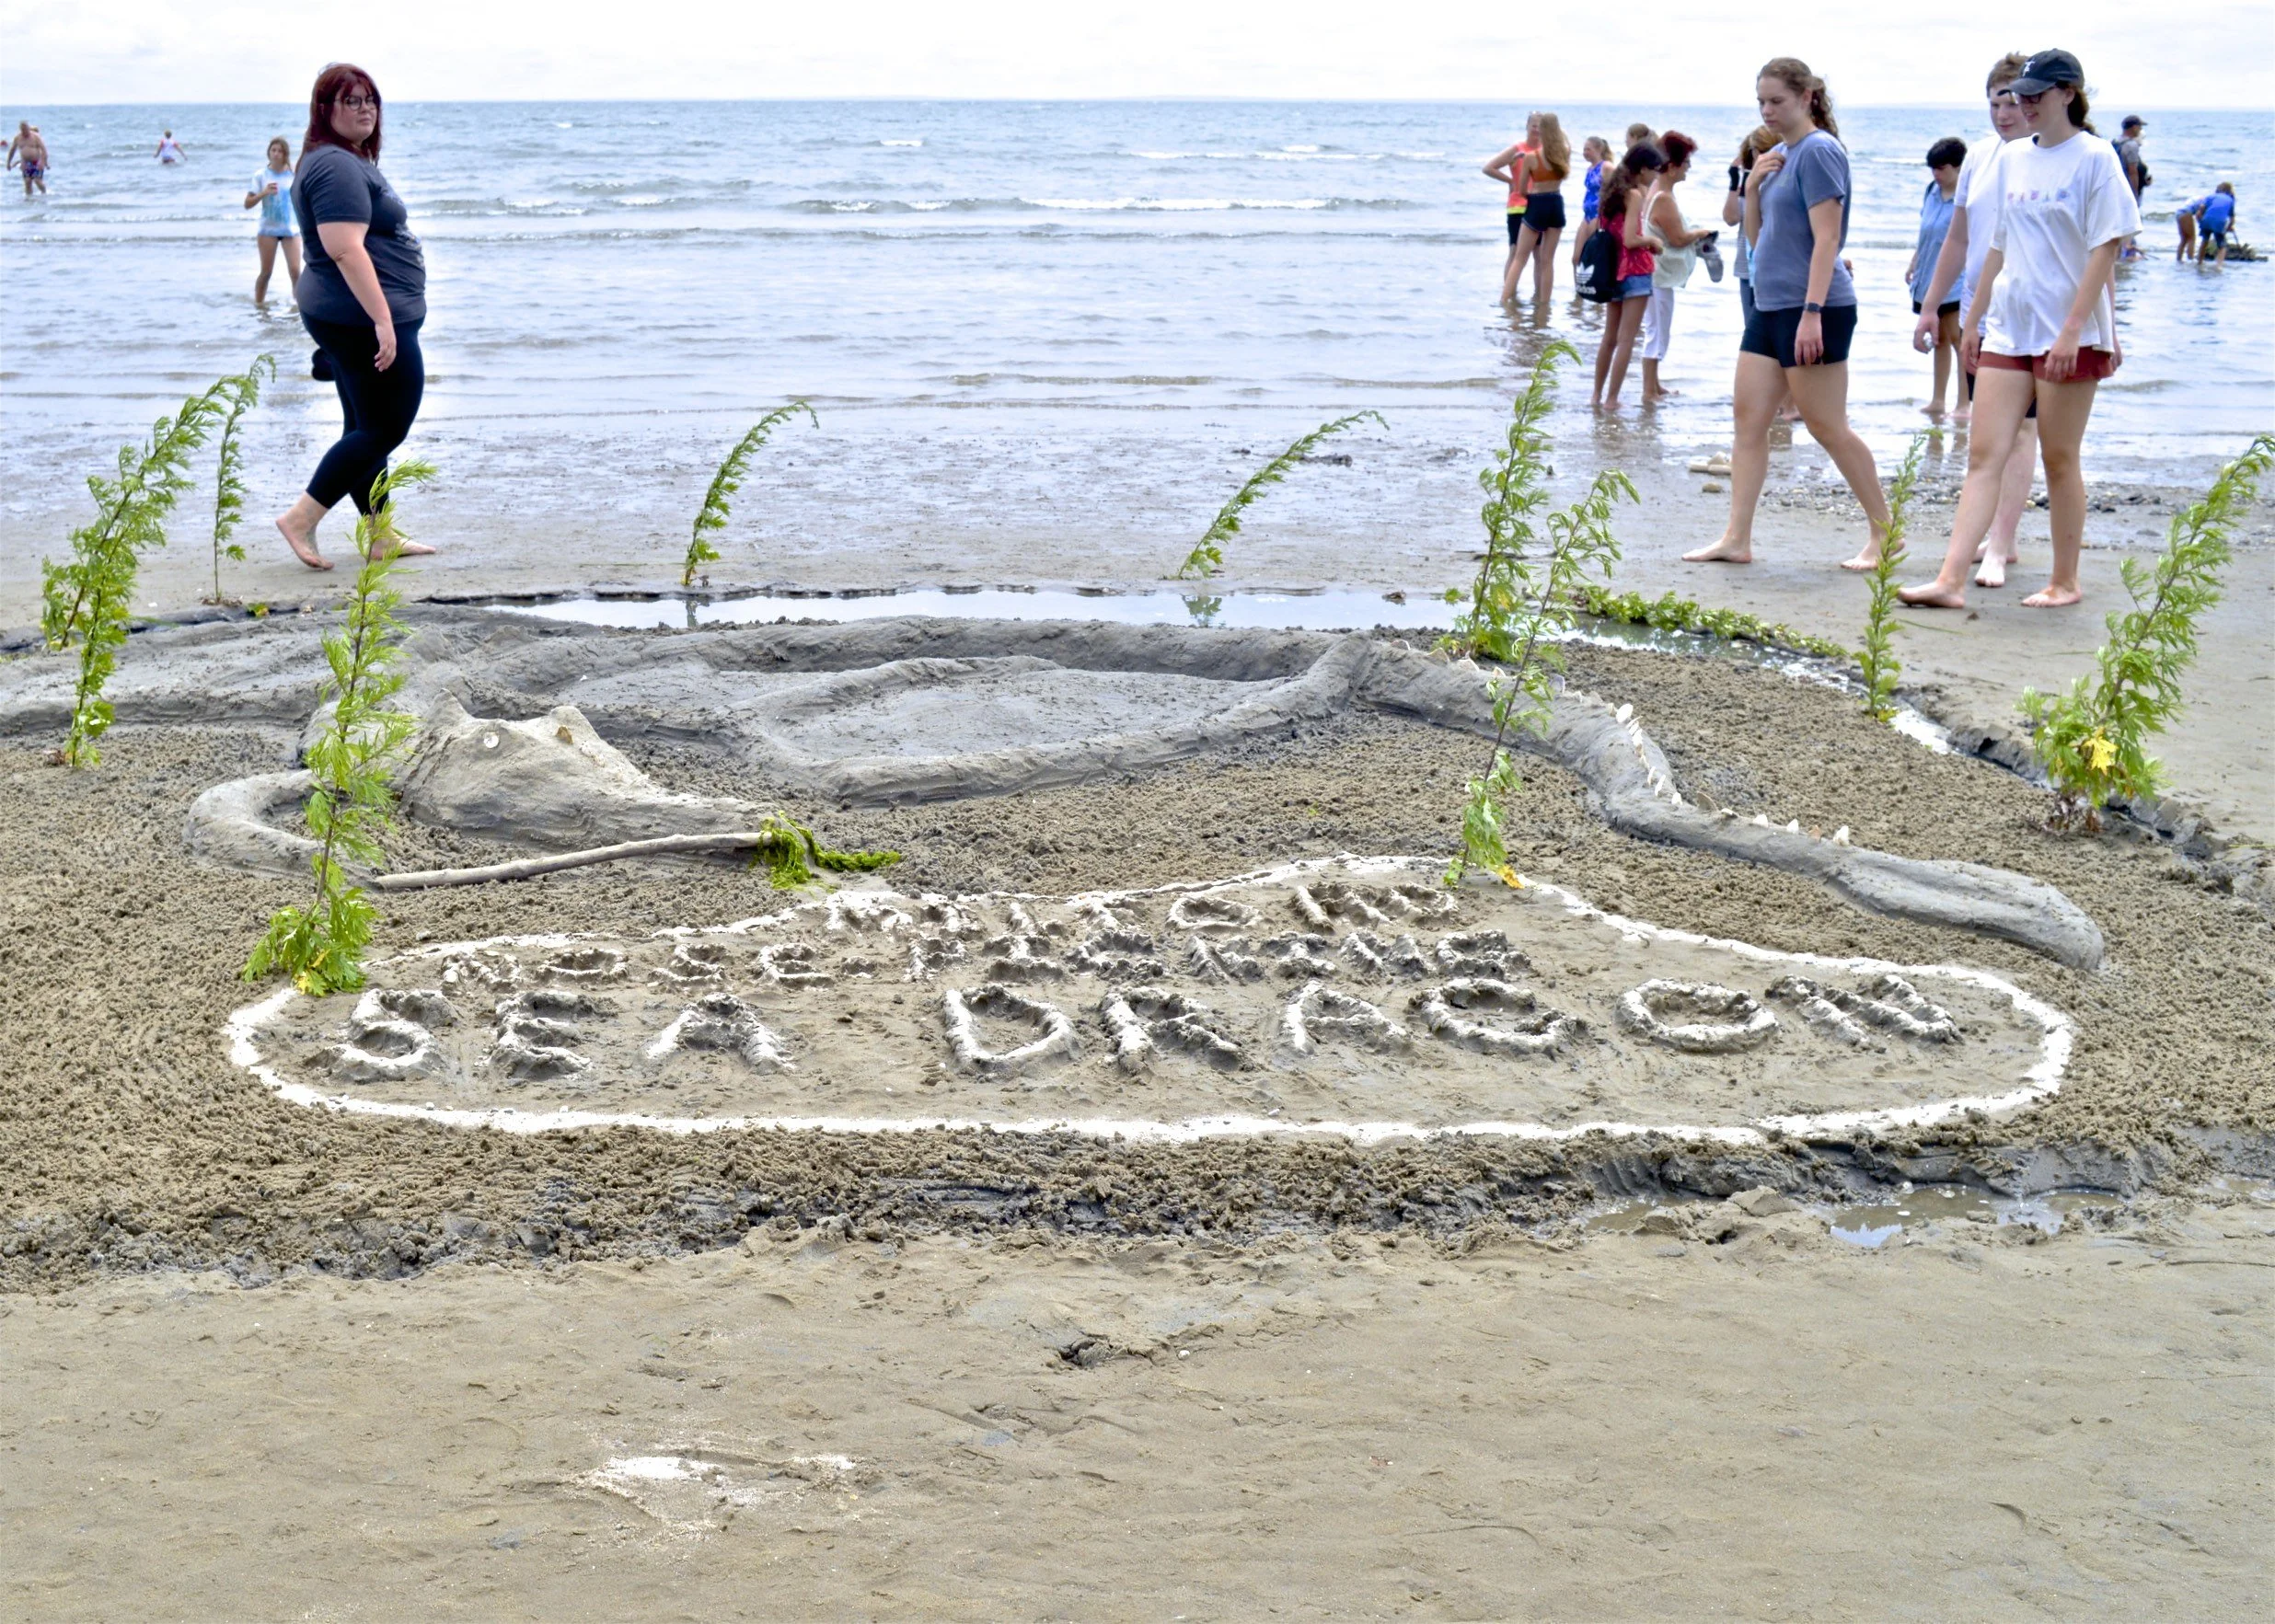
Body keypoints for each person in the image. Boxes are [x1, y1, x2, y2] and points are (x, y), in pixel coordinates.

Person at [1902, 49, 2139, 612]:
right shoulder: (2011, 159)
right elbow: (1998, 247)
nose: (2023, 105)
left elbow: (2107, 249)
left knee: (2059, 457)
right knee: (1984, 454)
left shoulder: (2095, 158)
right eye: (2017, 96)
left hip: (2069, 331)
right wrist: (1976, 320)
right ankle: (1950, 579)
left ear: (2068, 93)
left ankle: (2065, 580)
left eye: (2035, 95)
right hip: (2010, 324)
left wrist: (2073, 331)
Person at [1686, 58, 1890, 571]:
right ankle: (1737, 538)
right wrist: (1752, 188)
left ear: (1807, 97)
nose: (1767, 110)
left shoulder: (1819, 151)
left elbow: (1828, 240)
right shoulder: (1776, 156)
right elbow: (1758, 242)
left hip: (1816, 308)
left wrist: (1813, 312)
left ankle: (1886, 534)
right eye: (1761, 101)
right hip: (1768, 305)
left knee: (1827, 426)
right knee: (1748, 421)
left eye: (1776, 100)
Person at [273, 63, 435, 570]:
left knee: (363, 424)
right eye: (351, 100)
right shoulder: (336, 166)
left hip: (347, 315)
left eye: (371, 99)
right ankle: (302, 517)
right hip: (361, 318)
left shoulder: (340, 158)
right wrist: (384, 321)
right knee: (387, 426)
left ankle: (380, 535)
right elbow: (345, 250)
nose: (365, 108)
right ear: (326, 110)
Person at [1911, 52, 2038, 585]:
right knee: (1986, 437)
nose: (2004, 111)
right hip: (1975, 313)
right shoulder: (1980, 159)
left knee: (2022, 432)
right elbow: (1958, 239)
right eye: (1995, 101)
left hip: (2030, 313)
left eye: (2013, 100)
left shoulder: (2044, 157)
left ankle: (2001, 542)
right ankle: (1987, 533)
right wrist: (1929, 305)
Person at [1588, 143, 1664, 410]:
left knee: (1609, 337)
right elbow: (1631, 239)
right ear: (1642, 169)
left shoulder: (1610, 190)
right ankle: (1612, 400)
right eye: (1655, 171)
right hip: (1635, 270)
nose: (1657, 176)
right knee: (1626, 340)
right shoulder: (1633, 195)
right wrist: (1653, 241)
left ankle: (1596, 395)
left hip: (1611, 269)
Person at [1639, 131, 1712, 402]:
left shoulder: (1656, 191)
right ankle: (1648, 390)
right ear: (1671, 167)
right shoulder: (1664, 198)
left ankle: (1654, 385)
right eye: (1686, 163)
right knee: (1657, 330)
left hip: (1652, 272)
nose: (1688, 169)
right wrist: (1700, 233)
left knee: (1654, 327)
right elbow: (1678, 238)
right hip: (1658, 274)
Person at [1907, 137, 1968, 418]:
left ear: (1958, 168)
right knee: (1939, 339)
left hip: (1956, 282)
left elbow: (1963, 241)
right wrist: (1914, 264)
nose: (1936, 174)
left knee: (1958, 340)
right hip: (1929, 277)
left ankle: (1964, 403)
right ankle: (1938, 400)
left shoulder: (1966, 198)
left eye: (1941, 169)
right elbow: (1927, 234)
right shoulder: (1931, 191)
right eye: (1933, 168)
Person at [1490, 113, 1570, 306]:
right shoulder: (1564, 152)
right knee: (1547, 260)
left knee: (1519, 257)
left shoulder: (1531, 157)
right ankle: (1544, 305)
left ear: (1541, 129)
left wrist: (1528, 194)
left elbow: (1522, 189)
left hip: (1537, 202)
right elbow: (1566, 143)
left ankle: (1504, 300)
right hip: (1556, 202)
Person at [245, 136, 302, 304]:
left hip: (291, 230)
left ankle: (299, 309)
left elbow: (304, 199)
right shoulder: (261, 175)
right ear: (268, 153)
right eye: (273, 150)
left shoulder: (293, 175)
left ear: (285, 154)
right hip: (268, 230)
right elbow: (247, 204)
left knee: (295, 271)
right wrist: (263, 193)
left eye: (280, 151)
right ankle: (259, 305)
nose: (276, 154)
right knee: (266, 272)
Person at [1568, 136, 1611, 272]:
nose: (1585, 152)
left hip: (1598, 215)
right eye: (1584, 150)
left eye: (1588, 149)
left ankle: (1596, 289)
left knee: (1593, 256)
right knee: (1576, 258)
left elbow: (1617, 188)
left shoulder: (1606, 167)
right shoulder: (1589, 169)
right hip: (1587, 215)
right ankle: (1579, 292)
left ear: (1599, 149)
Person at [2113, 115, 2147, 258]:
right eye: (2140, 126)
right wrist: (2134, 194)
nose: (2140, 130)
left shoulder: (2114, 142)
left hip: (2114, 190)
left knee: (2116, 226)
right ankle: (2127, 256)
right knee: (2128, 226)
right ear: (2133, 127)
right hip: (2126, 191)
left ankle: (2118, 257)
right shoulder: (2131, 145)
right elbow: (2132, 171)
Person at [2196, 182, 2237, 268]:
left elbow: (2200, 210)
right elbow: (2232, 218)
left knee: (2204, 241)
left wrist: (2200, 221)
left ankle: (2199, 262)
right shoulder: (2230, 200)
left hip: (2206, 219)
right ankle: (2218, 265)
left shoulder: (2210, 196)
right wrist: (2230, 226)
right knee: (2222, 245)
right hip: (2219, 222)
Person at [7, 121, 46, 198]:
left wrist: (42, 161)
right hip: (26, 163)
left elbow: (44, 150)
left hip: (36, 161)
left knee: (37, 180)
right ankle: (29, 199)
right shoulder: (18, 138)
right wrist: (8, 162)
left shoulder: (35, 137)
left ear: (28, 129)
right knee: (27, 182)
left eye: (26, 130)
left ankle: (44, 193)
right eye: (23, 130)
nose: (25, 132)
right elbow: (12, 150)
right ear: (21, 130)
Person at [2175, 195, 2200, 262]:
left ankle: (2178, 259)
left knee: (2184, 239)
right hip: (2186, 213)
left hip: (2178, 213)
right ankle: (2190, 259)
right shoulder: (2207, 202)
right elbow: (2199, 215)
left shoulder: (2201, 198)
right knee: (2192, 238)